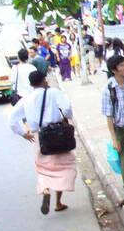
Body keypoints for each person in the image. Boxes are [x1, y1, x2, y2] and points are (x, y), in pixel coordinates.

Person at [9, 70, 76, 215]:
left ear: (31, 84)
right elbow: (67, 108)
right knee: (64, 167)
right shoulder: (53, 93)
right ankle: (58, 203)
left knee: (44, 167)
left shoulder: (26, 99)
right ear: (44, 80)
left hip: (40, 135)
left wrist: (23, 133)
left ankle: (45, 189)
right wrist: (67, 117)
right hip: (59, 133)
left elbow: (12, 119)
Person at [101, 53, 124, 203]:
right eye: (122, 65)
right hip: (121, 130)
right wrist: (114, 138)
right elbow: (109, 116)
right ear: (114, 70)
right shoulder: (109, 89)